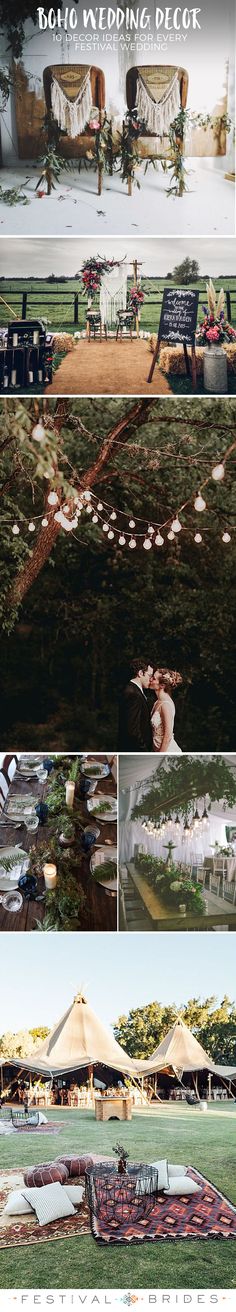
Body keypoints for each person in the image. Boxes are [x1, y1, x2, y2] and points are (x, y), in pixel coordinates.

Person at [119, 658, 154, 751]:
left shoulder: (133, 690)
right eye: (150, 675)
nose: (151, 679)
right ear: (140, 673)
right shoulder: (133, 694)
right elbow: (133, 731)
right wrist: (144, 751)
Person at [150, 668, 182, 753]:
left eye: (153, 678)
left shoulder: (165, 705)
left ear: (162, 685)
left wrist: (158, 756)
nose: (150, 679)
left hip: (167, 752)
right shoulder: (157, 702)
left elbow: (167, 736)